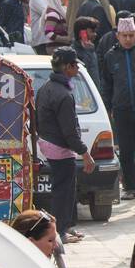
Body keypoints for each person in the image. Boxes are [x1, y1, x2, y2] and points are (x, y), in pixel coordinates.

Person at [34, 47, 95, 243]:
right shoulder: (62, 94)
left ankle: (66, 226)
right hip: (59, 147)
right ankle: (59, 232)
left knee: (67, 188)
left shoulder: (46, 87)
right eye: (75, 64)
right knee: (63, 190)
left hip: (49, 143)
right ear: (68, 67)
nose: (77, 67)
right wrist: (85, 153)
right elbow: (69, 132)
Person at [99, 16, 135, 201]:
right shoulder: (110, 56)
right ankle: (131, 187)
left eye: (131, 35)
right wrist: (107, 108)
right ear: (117, 36)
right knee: (125, 151)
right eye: (124, 35)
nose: (128, 39)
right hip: (121, 109)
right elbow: (106, 84)